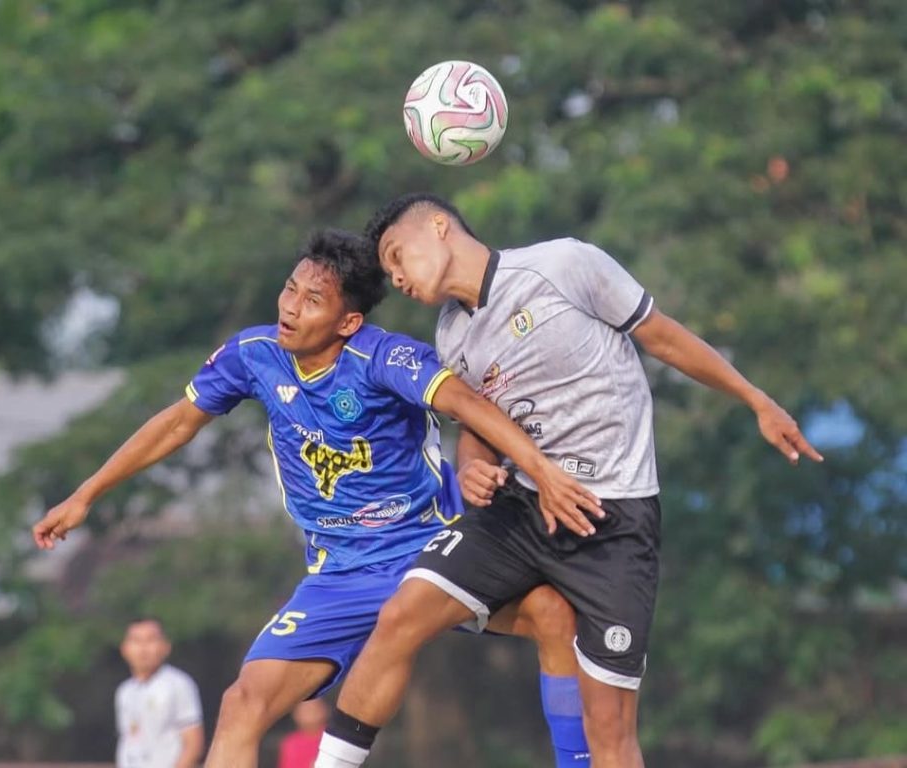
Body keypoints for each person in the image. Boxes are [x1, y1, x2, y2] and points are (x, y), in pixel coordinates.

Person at [32, 228, 600, 768]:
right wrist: (86, 494)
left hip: (429, 549)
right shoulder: (253, 354)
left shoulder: (383, 359)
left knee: (553, 614)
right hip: (338, 575)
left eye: (313, 299)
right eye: (290, 289)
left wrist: (537, 472)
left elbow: (469, 404)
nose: (291, 306)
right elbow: (179, 423)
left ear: (349, 320)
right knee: (241, 704)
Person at [313, 194, 824, 768]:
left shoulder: (563, 265)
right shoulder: (452, 334)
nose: (397, 277)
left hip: (612, 522)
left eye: (397, 256)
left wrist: (755, 399)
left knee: (609, 733)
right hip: (519, 510)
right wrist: (476, 463)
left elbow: (662, 336)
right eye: (389, 272)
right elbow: (480, 421)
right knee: (402, 614)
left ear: (438, 227)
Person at [114, 617, 204, 768]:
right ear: (124, 649)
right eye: (136, 641)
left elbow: (193, 743)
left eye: (150, 640)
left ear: (165, 647)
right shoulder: (124, 691)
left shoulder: (178, 684)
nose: (143, 648)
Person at [277, 699, 329, 768]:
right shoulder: (291, 742)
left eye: (313, 709)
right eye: (306, 710)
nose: (311, 713)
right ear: (296, 715)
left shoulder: (332, 737)